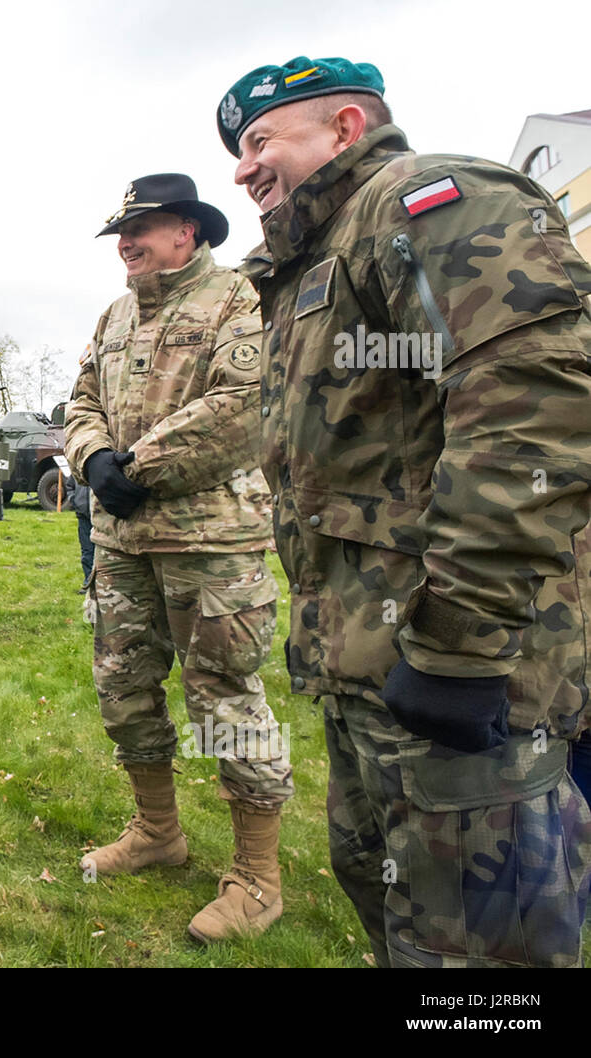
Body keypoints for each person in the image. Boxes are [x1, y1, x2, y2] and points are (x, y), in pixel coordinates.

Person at [218, 55, 591, 966]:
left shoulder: (425, 200)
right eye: (236, 149)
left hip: (467, 679)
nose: (242, 167)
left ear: (346, 127)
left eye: (262, 139)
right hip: (374, 673)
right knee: (403, 920)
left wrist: (458, 649)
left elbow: (533, 405)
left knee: (478, 962)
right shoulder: (316, 256)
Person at [65, 174, 292, 942]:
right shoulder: (115, 313)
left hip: (211, 539)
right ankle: (158, 834)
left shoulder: (237, 300)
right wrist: (92, 456)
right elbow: (81, 401)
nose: (125, 243)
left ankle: (258, 880)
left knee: (224, 699)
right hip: (124, 543)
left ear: (187, 231)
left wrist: (134, 469)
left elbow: (242, 403)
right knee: (124, 687)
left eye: (141, 228)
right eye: (120, 233)